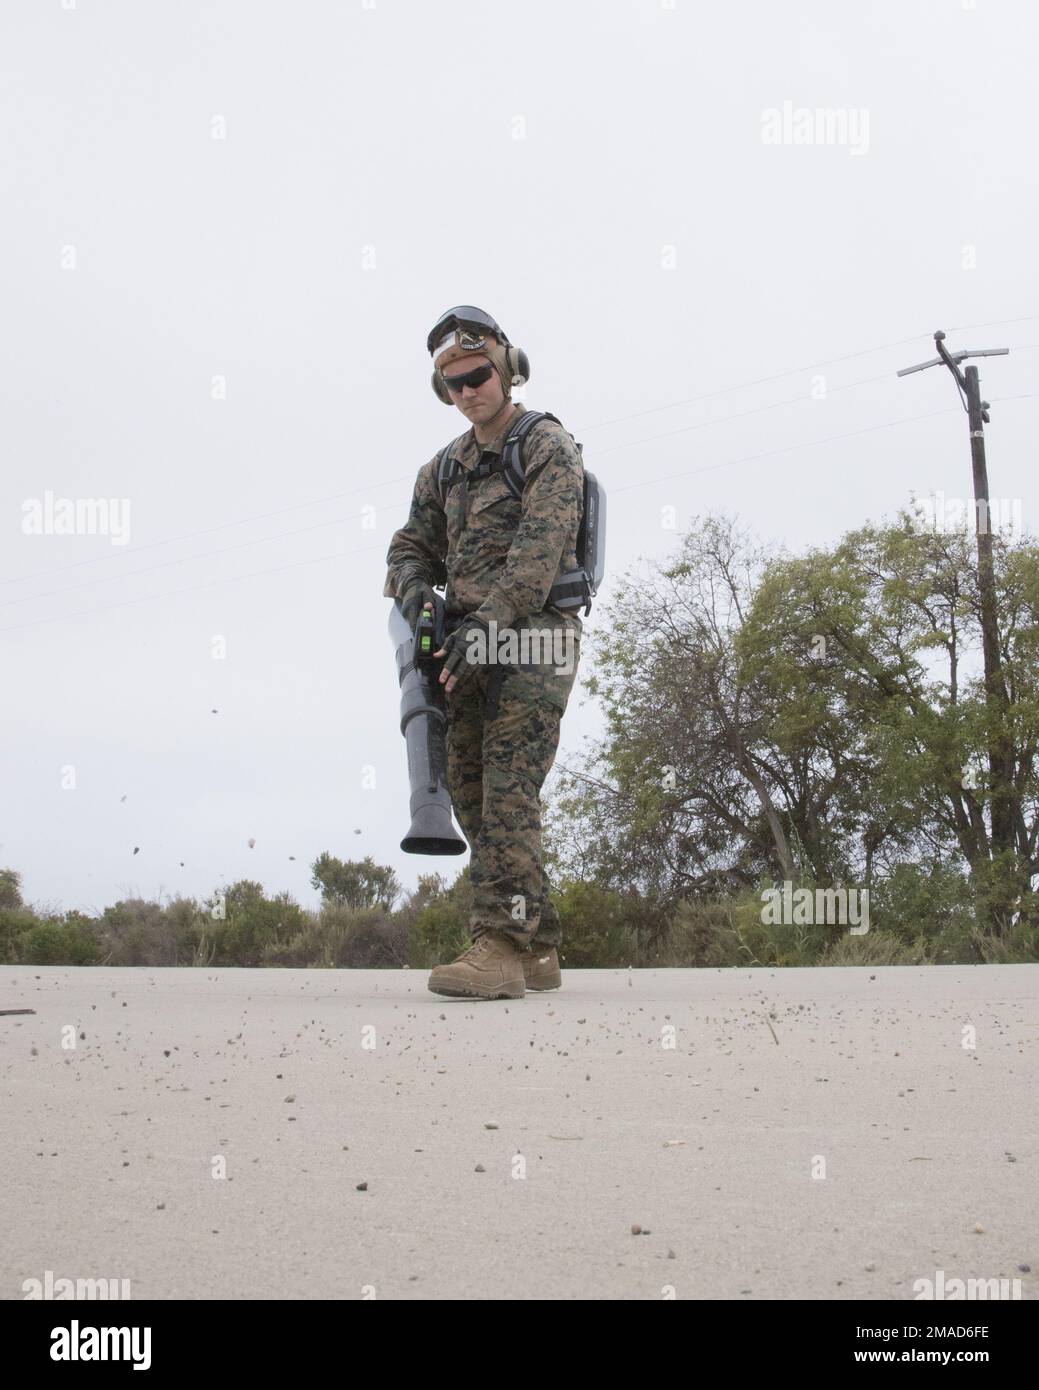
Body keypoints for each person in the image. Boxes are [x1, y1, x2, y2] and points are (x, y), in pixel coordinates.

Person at [382, 306, 584, 999]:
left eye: (477, 374)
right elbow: (409, 549)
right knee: (466, 790)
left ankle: (498, 948)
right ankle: (539, 946)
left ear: (505, 367)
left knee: (506, 786)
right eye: (454, 382)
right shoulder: (441, 470)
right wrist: (416, 597)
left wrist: (489, 623)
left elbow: (537, 556)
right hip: (466, 643)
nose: (468, 390)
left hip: (533, 634)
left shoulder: (547, 446)